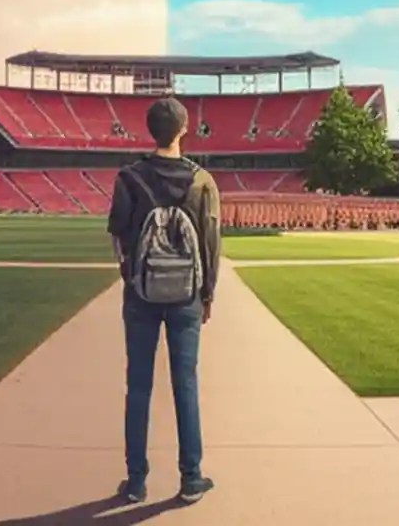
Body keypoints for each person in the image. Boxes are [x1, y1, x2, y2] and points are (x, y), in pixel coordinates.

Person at [107, 97, 220, 505]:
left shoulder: (129, 177)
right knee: (185, 384)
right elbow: (210, 243)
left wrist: (130, 279)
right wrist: (208, 294)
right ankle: (191, 477)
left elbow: (117, 236)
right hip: (187, 296)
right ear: (184, 128)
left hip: (140, 294)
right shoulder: (202, 181)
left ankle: (136, 481)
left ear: (150, 130)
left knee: (137, 386)